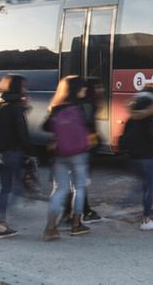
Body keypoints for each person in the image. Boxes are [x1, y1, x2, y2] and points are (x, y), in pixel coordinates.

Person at [42, 76, 92, 240]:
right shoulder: (80, 107)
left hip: (60, 153)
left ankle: (50, 228)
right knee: (79, 187)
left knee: (60, 189)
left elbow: (46, 126)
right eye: (83, 88)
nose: (85, 90)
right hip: (79, 153)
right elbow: (87, 127)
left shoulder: (55, 107)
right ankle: (76, 224)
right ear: (76, 90)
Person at [0, 74, 33, 238]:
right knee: (17, 189)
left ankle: (1, 221)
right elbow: (22, 132)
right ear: (17, 88)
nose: (25, 89)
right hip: (11, 152)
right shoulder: (16, 106)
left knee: (5, 188)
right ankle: (1, 220)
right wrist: (30, 151)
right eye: (23, 86)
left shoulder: (0, 102)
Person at [118, 85, 153, 231]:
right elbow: (152, 137)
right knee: (148, 188)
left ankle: (121, 208)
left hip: (134, 156)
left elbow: (124, 138)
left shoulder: (132, 117)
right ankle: (146, 220)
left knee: (138, 186)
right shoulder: (150, 118)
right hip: (148, 157)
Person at [63, 77, 103, 223]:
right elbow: (89, 127)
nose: (101, 90)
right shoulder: (87, 105)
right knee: (80, 184)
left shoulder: (71, 103)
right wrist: (94, 143)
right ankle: (81, 215)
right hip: (82, 150)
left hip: (71, 149)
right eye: (97, 87)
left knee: (73, 184)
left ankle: (68, 212)